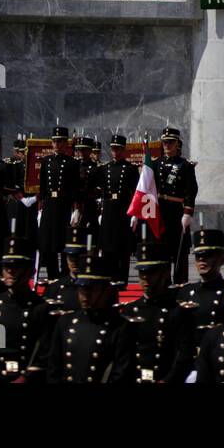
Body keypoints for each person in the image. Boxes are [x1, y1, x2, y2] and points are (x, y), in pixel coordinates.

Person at [47, 251, 137, 383]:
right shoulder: (65, 322)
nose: (84, 295)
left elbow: (121, 372)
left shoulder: (119, 327)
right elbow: (53, 368)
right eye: (81, 288)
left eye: (90, 289)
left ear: (106, 290)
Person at [122, 238, 197, 384]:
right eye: (142, 272)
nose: (145, 277)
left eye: (151, 272)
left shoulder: (177, 312)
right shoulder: (130, 310)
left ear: (165, 272)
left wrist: (167, 380)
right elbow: (123, 356)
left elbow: (184, 356)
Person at [0, 236, 54, 383]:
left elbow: (44, 353)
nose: (10, 271)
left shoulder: (40, 308)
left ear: (30, 271)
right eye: (6, 266)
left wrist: (25, 378)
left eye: (16, 266)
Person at [37, 124, 82, 281]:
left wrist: (76, 209)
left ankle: (64, 276)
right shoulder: (46, 161)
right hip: (49, 204)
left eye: (59, 141)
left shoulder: (72, 163)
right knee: (48, 241)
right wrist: (40, 208)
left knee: (63, 241)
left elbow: (75, 189)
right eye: (54, 141)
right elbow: (43, 187)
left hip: (64, 204)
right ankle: (52, 275)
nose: (56, 144)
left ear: (65, 143)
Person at [95, 133, 140, 285]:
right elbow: (101, 191)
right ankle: (109, 277)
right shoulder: (105, 168)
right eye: (113, 148)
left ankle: (122, 278)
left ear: (123, 149)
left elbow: (136, 193)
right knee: (107, 245)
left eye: (118, 149)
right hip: (109, 209)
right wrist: (101, 209)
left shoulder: (130, 169)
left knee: (122, 246)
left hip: (123, 209)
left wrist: (135, 214)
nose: (115, 152)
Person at [157, 125, 198, 284]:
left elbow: (191, 190)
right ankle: (163, 284)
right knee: (162, 250)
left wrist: (188, 212)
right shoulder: (156, 164)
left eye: (170, 142)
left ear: (177, 144)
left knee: (180, 250)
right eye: (165, 142)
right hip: (161, 211)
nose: (167, 145)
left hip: (177, 212)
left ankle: (180, 285)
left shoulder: (185, 165)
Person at [177, 227, 224, 336]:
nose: (201, 259)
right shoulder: (185, 293)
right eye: (198, 255)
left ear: (222, 260)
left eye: (208, 255)